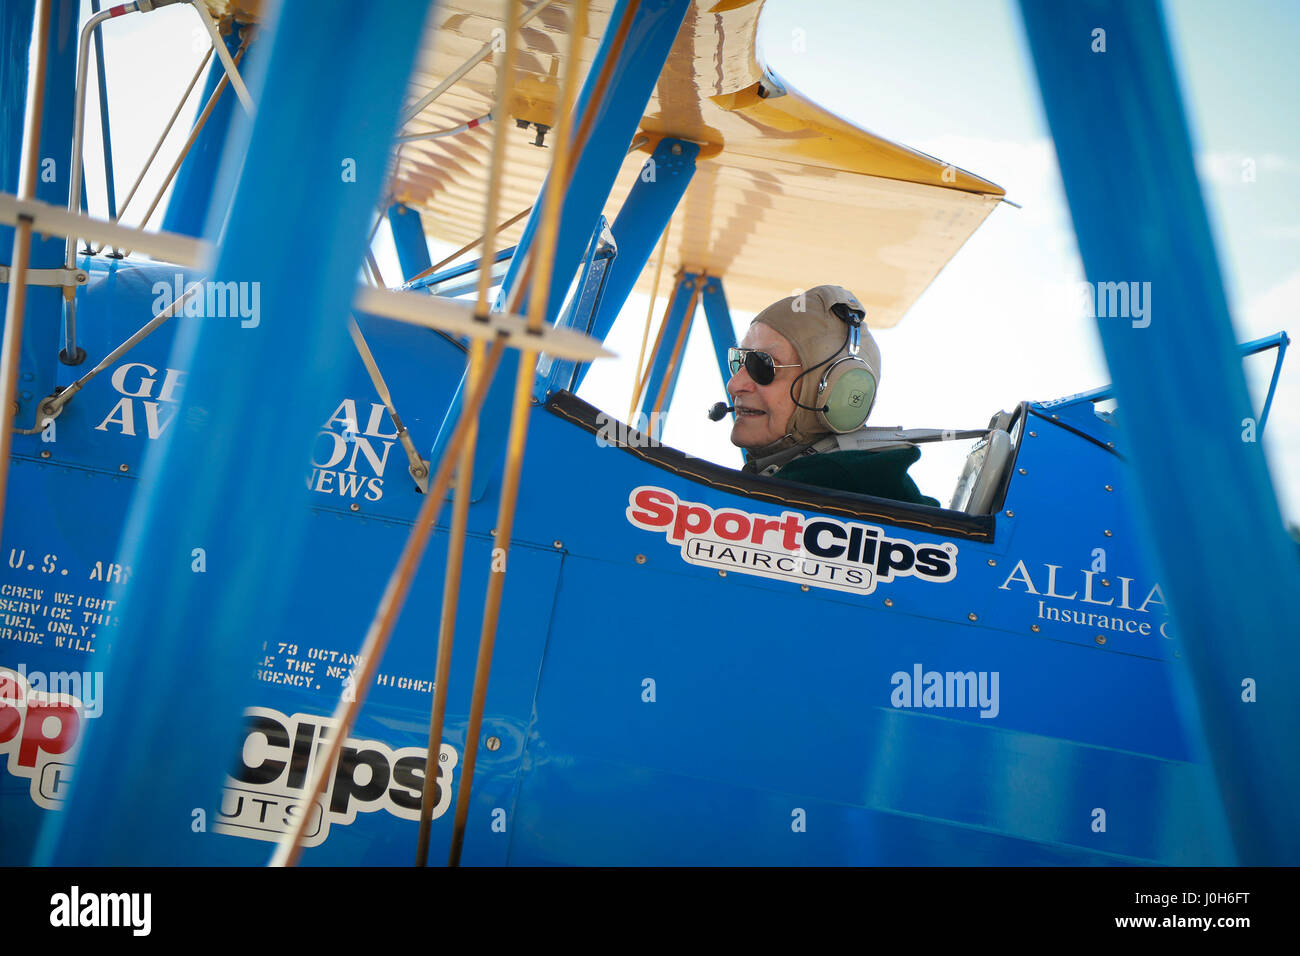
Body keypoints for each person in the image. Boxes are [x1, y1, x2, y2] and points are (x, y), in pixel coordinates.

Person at [725, 284, 938, 507]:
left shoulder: (846, 491)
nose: (734, 384)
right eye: (739, 361)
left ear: (836, 391)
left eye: (763, 365)